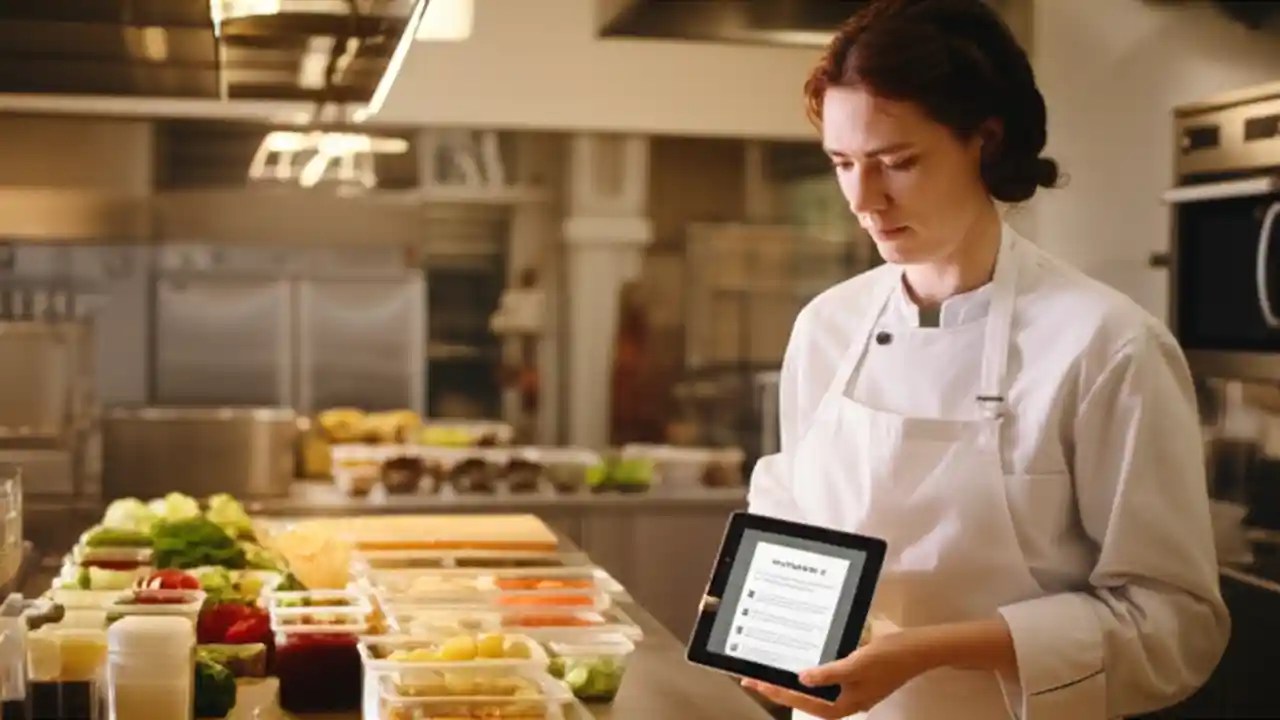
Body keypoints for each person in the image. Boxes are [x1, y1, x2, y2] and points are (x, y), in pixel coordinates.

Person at [743, 1, 1230, 719]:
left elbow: (1174, 624)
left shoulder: (1105, 344)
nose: (863, 200)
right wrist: (759, 613)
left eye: (897, 163)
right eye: (843, 164)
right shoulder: (828, 327)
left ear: (985, 141)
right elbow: (791, 525)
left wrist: (927, 651)